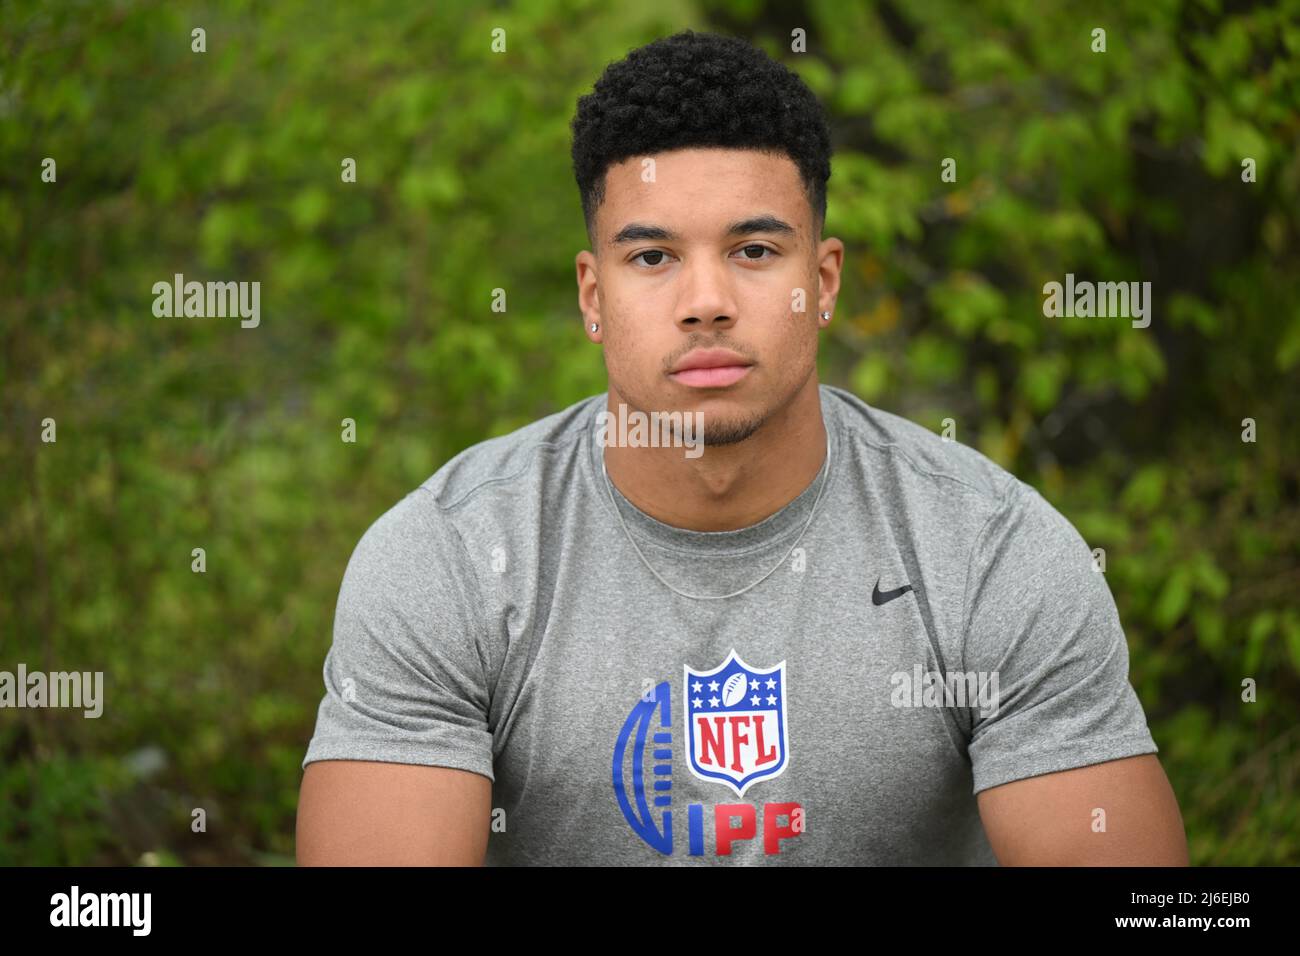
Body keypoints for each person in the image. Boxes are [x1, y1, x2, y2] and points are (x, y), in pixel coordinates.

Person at [296, 30, 1187, 865]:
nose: (707, 300)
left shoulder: (989, 551)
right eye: (652, 259)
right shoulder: (449, 557)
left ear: (824, 279)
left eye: (755, 249)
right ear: (591, 293)